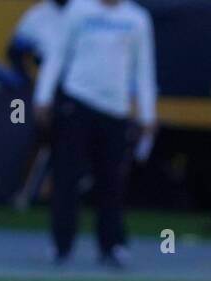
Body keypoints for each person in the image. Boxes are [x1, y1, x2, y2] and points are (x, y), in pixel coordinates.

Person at [33, 0, 157, 267]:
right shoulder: (78, 10)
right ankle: (61, 244)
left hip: (115, 109)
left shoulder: (137, 18)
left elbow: (144, 67)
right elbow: (58, 53)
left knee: (111, 181)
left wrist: (148, 113)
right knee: (66, 176)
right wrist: (43, 96)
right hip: (77, 100)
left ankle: (112, 245)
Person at [7, 0, 68, 211]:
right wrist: (27, 79)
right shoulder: (39, 14)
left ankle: (60, 194)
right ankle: (23, 193)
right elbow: (15, 49)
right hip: (48, 86)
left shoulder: (86, 11)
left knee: (78, 143)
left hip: (82, 86)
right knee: (41, 138)